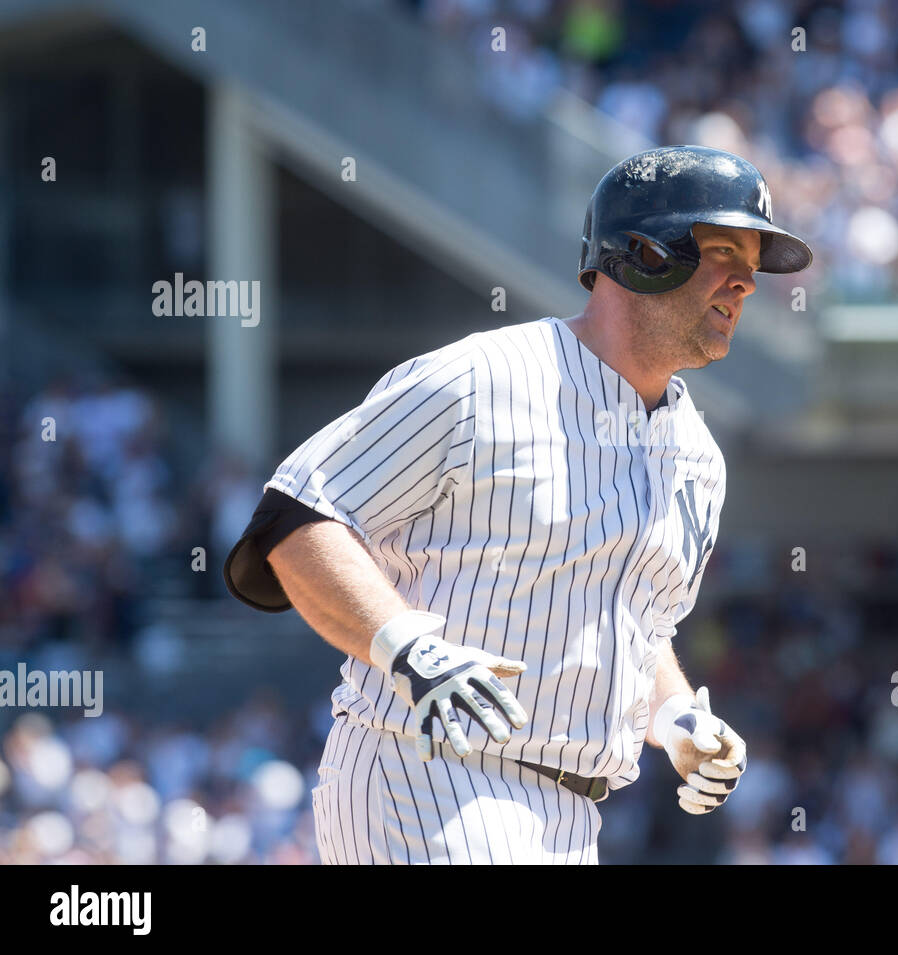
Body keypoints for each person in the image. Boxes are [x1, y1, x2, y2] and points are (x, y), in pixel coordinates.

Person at [223, 144, 813, 864]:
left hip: (572, 810)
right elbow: (297, 517)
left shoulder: (697, 456)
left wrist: (677, 714)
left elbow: (630, 626)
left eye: (752, 260)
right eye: (723, 249)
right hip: (426, 772)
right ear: (644, 254)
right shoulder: (481, 379)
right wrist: (406, 645)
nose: (746, 281)